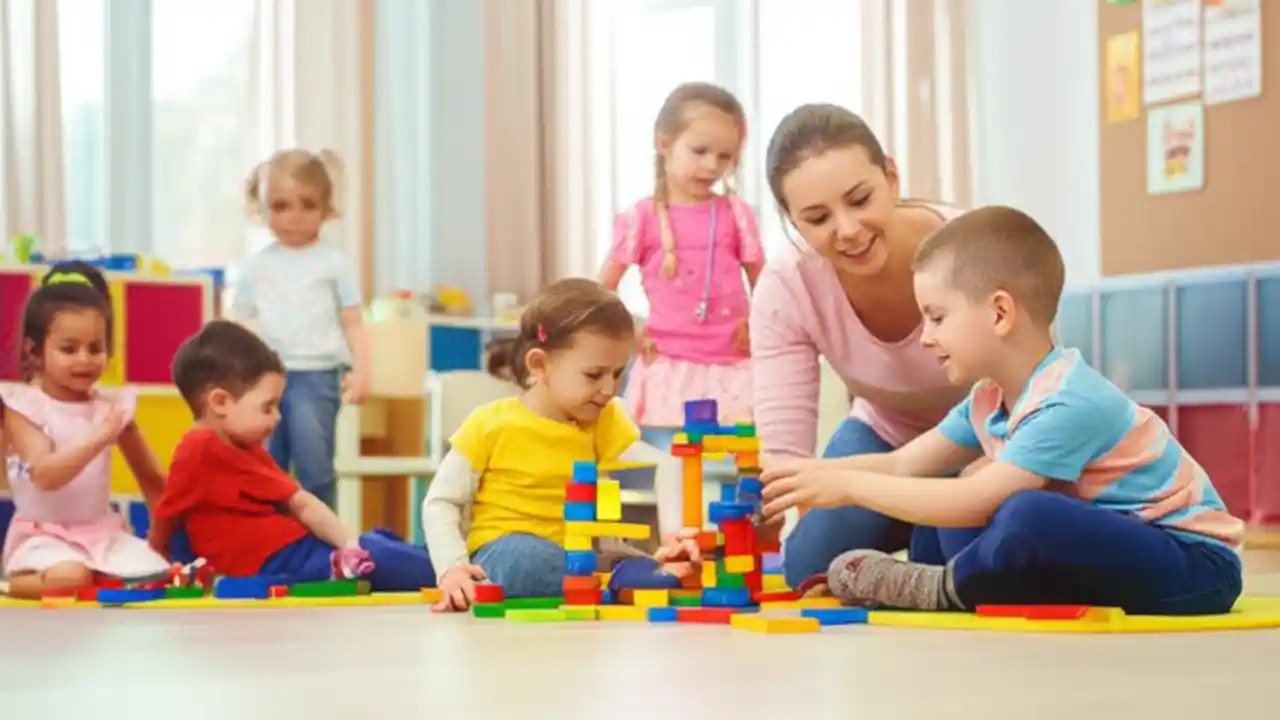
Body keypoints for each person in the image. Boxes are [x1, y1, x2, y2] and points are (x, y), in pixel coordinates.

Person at [760, 207, 1244, 615]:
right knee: (948, 499)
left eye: (937, 317)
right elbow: (905, 463)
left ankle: (943, 589)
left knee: (1024, 512)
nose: (925, 336)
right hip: (1109, 548)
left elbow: (980, 502)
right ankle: (957, 582)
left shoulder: (1070, 400)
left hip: (1194, 562)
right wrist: (810, 475)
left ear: (999, 313)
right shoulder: (988, 398)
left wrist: (847, 486)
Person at [750, 103, 971, 588]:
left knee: (960, 562)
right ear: (792, 220)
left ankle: (923, 533)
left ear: (891, 177)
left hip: (988, 442)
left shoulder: (972, 248)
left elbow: (1032, 391)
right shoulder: (789, 286)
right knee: (806, 567)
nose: (847, 230)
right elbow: (785, 456)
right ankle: (912, 528)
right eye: (817, 217)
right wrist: (749, 527)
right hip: (886, 439)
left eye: (860, 199)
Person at [424, 278, 700, 611]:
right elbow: (441, 501)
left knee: (623, 558)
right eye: (594, 375)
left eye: (617, 374)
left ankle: (610, 579)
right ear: (540, 365)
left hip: (580, 553)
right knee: (523, 561)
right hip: (505, 548)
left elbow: (665, 463)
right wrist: (452, 568)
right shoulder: (489, 423)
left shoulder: (603, 420)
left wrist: (674, 537)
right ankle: (612, 582)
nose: (610, 388)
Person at [148, 320, 434, 591]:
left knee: (379, 544)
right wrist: (350, 544)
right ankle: (455, 566)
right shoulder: (206, 448)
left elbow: (169, 515)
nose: (278, 418)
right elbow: (302, 504)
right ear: (220, 402)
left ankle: (446, 559)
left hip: (292, 553)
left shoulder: (235, 447)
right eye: (267, 407)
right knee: (375, 553)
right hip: (287, 561)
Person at [599, 81, 764, 433]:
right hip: (669, 366)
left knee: (735, 463)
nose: (712, 166)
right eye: (700, 151)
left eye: (724, 157)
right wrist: (631, 332)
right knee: (673, 466)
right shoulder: (641, 218)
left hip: (733, 366)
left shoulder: (736, 214)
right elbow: (603, 288)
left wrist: (759, 325)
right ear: (664, 144)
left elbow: (764, 284)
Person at [0, 262, 171, 598]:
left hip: (99, 532)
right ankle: (11, 584)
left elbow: (150, 476)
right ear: (34, 351)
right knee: (71, 577)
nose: (85, 359)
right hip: (42, 535)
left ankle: (100, 574)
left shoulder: (110, 409)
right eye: (69, 349)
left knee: (155, 576)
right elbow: (46, 475)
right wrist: (101, 435)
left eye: (95, 348)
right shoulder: (24, 408)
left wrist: (162, 540)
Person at [230, 149, 371, 509]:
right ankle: (272, 537)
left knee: (315, 464)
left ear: (326, 208)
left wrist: (363, 370)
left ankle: (324, 541)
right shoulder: (255, 267)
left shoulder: (333, 263)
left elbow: (353, 321)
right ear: (261, 210)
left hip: (317, 376)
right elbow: (240, 325)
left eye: (307, 205)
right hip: (264, 378)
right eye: (280, 206)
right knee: (266, 464)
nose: (294, 217)